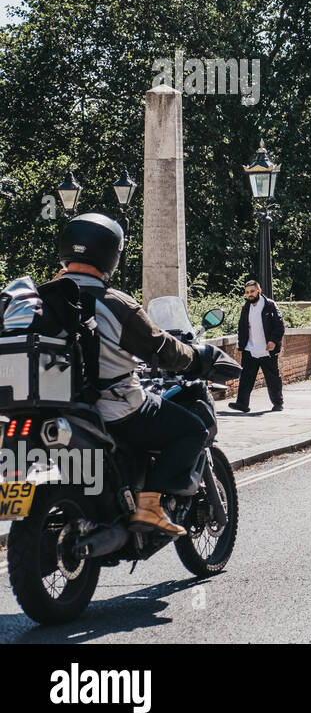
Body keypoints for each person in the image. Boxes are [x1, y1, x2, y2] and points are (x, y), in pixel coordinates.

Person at [53, 214, 208, 536]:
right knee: (192, 429)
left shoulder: (41, 299)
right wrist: (193, 359)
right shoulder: (114, 303)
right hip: (114, 409)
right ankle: (149, 507)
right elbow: (161, 347)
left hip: (55, 410)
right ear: (110, 254)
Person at [231, 278, 286, 413]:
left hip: (267, 349)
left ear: (259, 291)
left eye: (252, 291)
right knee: (246, 377)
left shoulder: (269, 305)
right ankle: (242, 404)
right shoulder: (246, 308)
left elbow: (279, 325)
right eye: (247, 292)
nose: (250, 294)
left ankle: (278, 403)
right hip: (250, 348)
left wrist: (273, 341)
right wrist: (241, 346)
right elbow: (242, 328)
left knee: (272, 378)